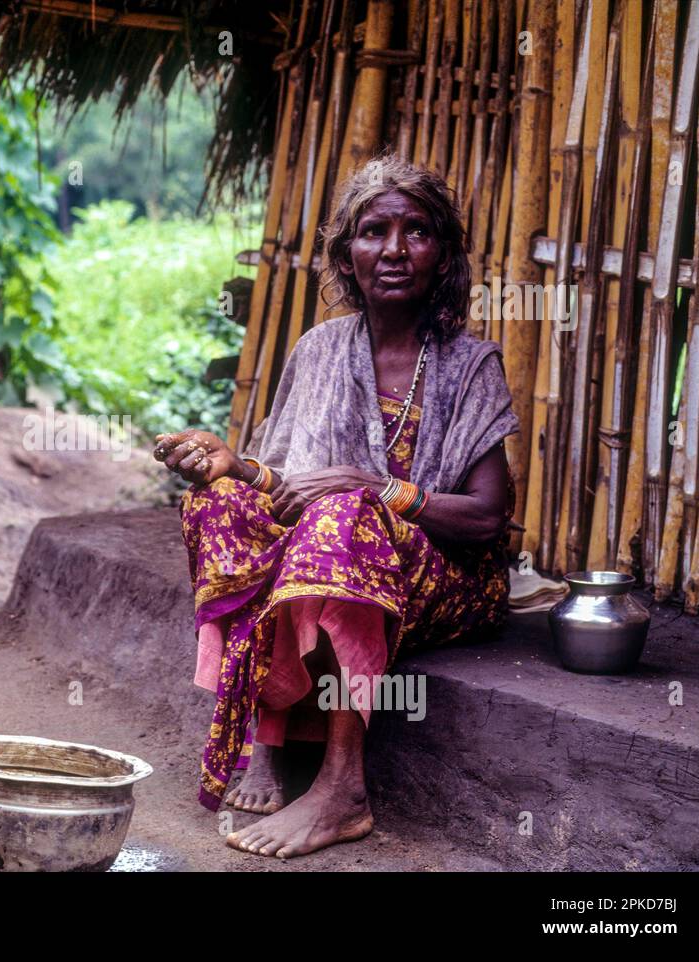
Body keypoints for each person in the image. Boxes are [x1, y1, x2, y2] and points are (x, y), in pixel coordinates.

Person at [154, 155, 518, 859]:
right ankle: (269, 724)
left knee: (344, 514)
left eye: (416, 231)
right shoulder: (320, 349)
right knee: (220, 505)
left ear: (442, 254)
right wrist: (236, 466)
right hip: (329, 555)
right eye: (373, 231)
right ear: (346, 255)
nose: (393, 249)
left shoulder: (471, 363)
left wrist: (377, 488)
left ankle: (342, 786)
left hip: (444, 582)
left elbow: (486, 521)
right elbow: (291, 486)